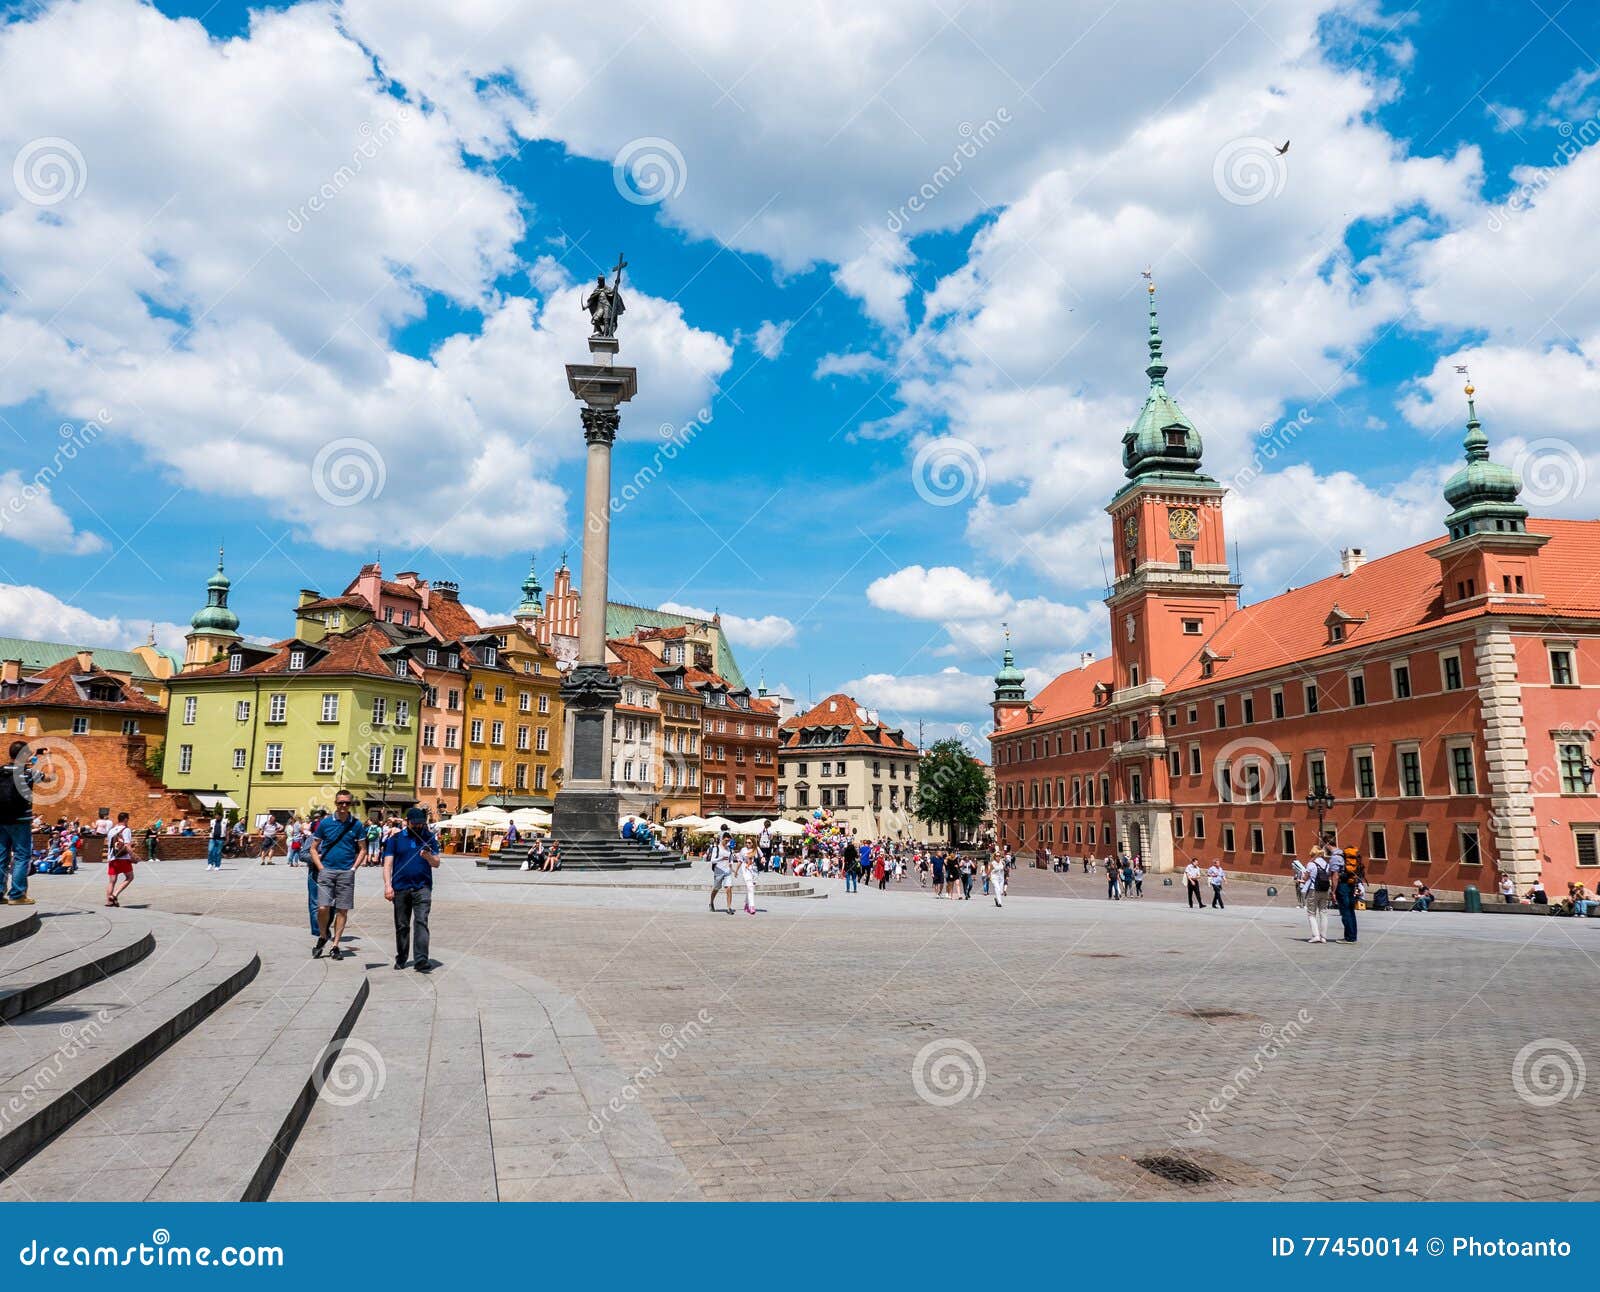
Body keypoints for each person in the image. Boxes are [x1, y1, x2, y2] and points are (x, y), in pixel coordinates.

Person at [309, 792, 368, 959]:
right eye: (341, 803)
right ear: (335, 803)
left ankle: (335, 945)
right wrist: (320, 868)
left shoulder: (356, 825)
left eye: (347, 803)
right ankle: (322, 935)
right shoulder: (325, 823)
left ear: (351, 805)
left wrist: (353, 868)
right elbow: (313, 847)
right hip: (327, 870)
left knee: (342, 910)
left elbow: (363, 848)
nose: (344, 806)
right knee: (322, 907)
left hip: (346, 872)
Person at [383, 806, 441, 972]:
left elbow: (436, 863)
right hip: (400, 887)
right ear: (407, 823)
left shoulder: (429, 838)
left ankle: (421, 960)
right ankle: (401, 957)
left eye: (421, 824)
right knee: (402, 925)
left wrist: (428, 856)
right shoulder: (395, 839)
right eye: (415, 824)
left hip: (422, 887)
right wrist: (388, 885)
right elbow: (387, 864)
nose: (418, 827)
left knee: (421, 921)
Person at [0, 741, 45, 905]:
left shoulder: (1, 771)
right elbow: (51, 777)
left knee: (1, 856)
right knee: (21, 856)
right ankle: (17, 894)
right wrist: (47, 758)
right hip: (20, 820)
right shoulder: (27, 773)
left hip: (1, 819)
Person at [104, 811, 136, 907]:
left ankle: (109, 901)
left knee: (112, 881)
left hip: (112, 858)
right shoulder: (126, 830)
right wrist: (133, 857)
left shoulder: (111, 830)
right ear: (125, 819)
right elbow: (126, 845)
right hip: (123, 858)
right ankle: (114, 895)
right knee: (130, 877)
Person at [1303, 849, 1331, 942]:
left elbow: (1305, 878)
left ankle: (1316, 935)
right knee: (1323, 912)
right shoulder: (1327, 865)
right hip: (1324, 890)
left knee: (1311, 913)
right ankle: (1324, 937)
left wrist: (1304, 876)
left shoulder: (1311, 864)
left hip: (1313, 890)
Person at [1334, 848, 1362, 942]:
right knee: (1351, 911)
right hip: (1351, 884)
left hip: (1343, 886)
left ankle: (1349, 938)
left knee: (1345, 912)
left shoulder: (1338, 857)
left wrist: (1333, 890)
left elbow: (1335, 875)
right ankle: (1352, 936)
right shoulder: (1351, 859)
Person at [709, 829, 735, 914]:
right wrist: (721, 858)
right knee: (716, 888)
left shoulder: (729, 849)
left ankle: (729, 908)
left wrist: (731, 865)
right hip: (718, 871)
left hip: (727, 871)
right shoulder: (716, 848)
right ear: (722, 839)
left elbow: (731, 859)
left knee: (729, 888)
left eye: (728, 840)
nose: (727, 842)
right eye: (726, 840)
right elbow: (712, 860)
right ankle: (711, 902)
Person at [737, 843, 758, 915]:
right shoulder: (743, 850)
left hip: (754, 870)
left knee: (750, 888)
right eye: (746, 842)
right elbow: (740, 860)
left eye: (749, 842)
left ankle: (746, 904)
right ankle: (751, 906)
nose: (747, 844)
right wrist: (736, 870)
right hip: (745, 868)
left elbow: (762, 857)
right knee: (750, 887)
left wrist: (763, 859)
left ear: (753, 843)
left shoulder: (756, 849)